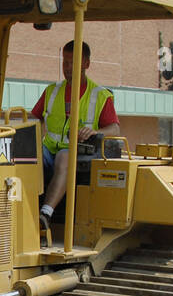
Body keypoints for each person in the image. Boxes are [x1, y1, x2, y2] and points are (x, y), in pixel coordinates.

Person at [31, 40, 120, 227]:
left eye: (73, 62)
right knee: (29, 156)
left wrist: (95, 131)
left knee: (64, 157)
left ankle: (45, 214)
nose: (68, 67)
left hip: (79, 153)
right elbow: (33, 118)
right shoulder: (52, 91)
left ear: (86, 64)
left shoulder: (100, 95)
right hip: (50, 150)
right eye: (65, 62)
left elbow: (115, 129)